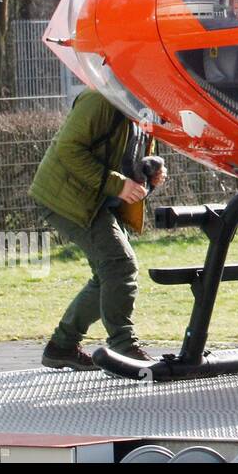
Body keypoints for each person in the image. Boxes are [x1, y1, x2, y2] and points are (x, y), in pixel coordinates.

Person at [29, 88, 166, 370]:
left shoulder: (141, 103)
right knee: (119, 264)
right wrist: (119, 185)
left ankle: (62, 346)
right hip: (66, 197)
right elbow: (68, 148)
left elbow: (126, 153)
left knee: (108, 274)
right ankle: (124, 347)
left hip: (96, 199)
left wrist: (149, 175)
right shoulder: (101, 99)